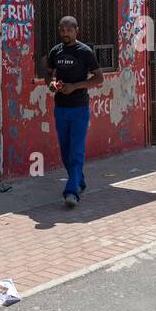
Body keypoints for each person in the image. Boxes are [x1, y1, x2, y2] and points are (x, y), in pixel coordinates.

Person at [47, 15, 104, 208]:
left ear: (76, 30)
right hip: (60, 108)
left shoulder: (85, 52)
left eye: (69, 30)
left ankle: (71, 192)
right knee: (65, 151)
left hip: (79, 108)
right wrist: (53, 84)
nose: (65, 33)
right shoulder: (55, 51)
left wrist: (76, 86)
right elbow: (49, 73)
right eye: (62, 30)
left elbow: (98, 79)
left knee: (76, 151)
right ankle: (79, 180)